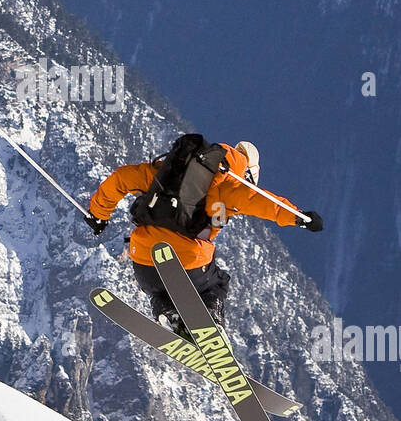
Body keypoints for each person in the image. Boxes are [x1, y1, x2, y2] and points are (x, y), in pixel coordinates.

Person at [85, 136, 322, 333]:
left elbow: (120, 179)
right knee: (218, 283)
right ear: (248, 174)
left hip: (144, 262)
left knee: (158, 290)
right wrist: (299, 217)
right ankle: (212, 320)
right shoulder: (229, 188)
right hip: (186, 264)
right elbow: (261, 203)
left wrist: (98, 215)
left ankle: (167, 314)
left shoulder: (167, 172)